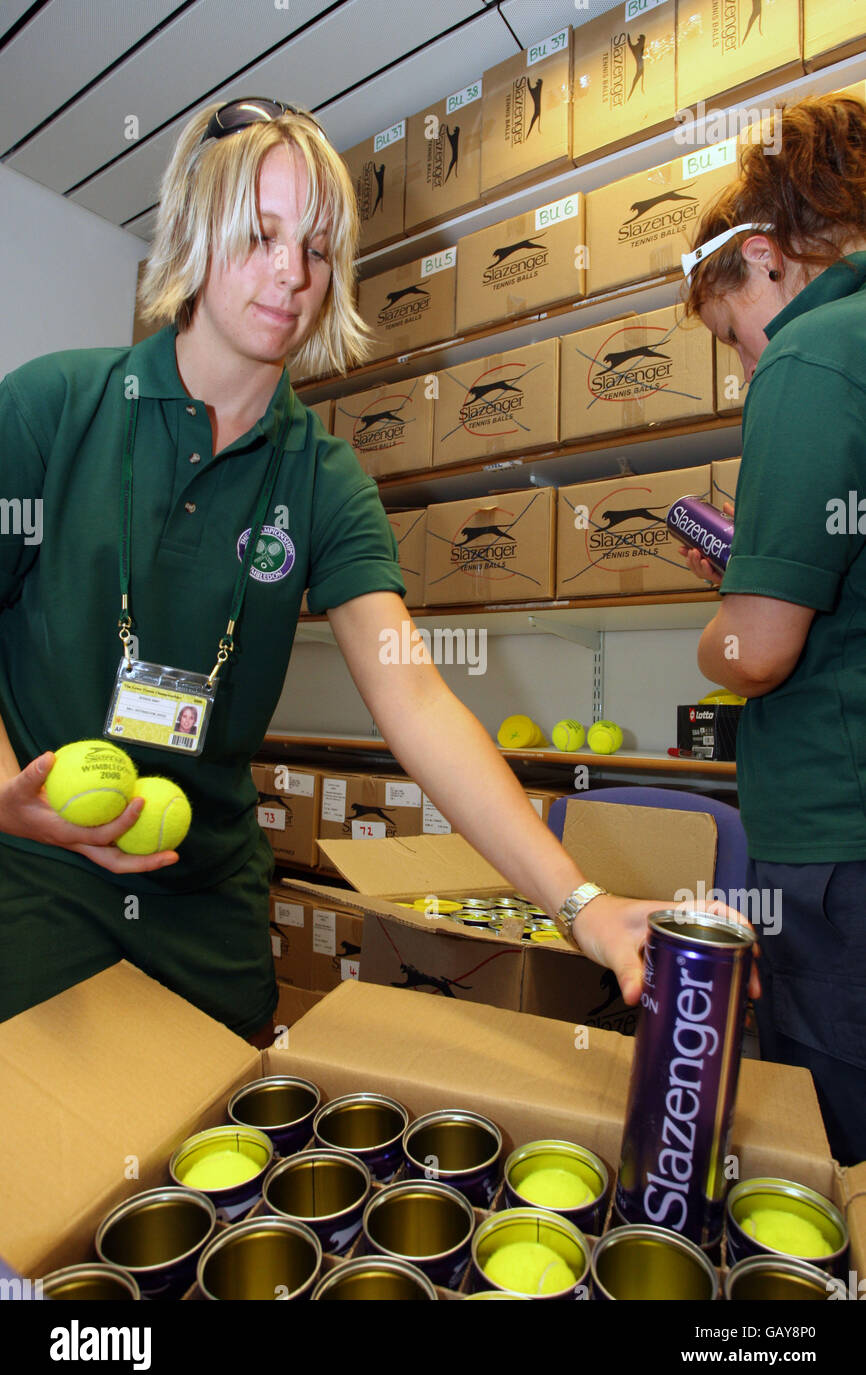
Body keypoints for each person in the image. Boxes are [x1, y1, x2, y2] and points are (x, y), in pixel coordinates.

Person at [0, 97, 744, 1045]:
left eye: (315, 247)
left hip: (205, 899)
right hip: (33, 879)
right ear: (194, 233)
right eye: (259, 234)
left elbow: (416, 701)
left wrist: (583, 903)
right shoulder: (50, 408)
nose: (289, 274)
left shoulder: (325, 478)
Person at [679, 93, 866, 1163]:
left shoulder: (811, 352)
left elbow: (754, 651)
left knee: (830, 1153)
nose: (746, 365)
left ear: (763, 257)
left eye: (732, 334)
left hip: (835, 854)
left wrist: (725, 609)